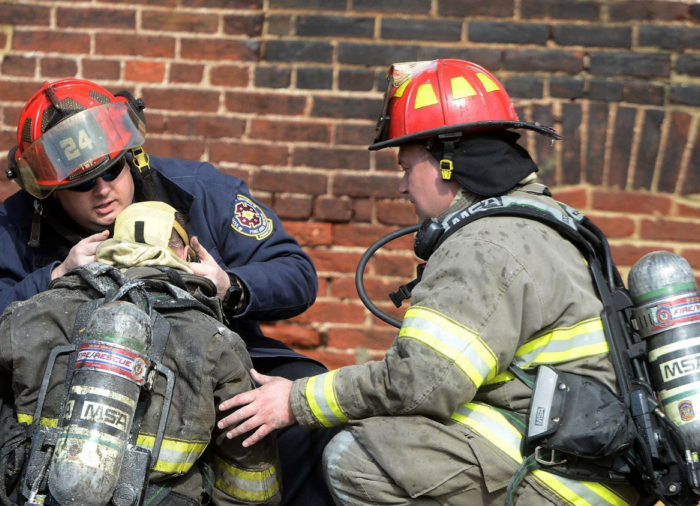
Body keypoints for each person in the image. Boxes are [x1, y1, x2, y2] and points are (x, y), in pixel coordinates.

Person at [216, 59, 642, 505]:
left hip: (562, 482)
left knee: (359, 457)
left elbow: (420, 382)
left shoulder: (485, 244)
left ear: (448, 162)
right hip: (590, 466)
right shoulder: (547, 221)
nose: (402, 187)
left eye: (406, 167)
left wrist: (296, 399)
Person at [0, 78, 334, 505]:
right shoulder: (14, 228)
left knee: (307, 404)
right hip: (72, 382)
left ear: (130, 155)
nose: (102, 190)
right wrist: (54, 276)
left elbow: (295, 272)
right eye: (81, 183)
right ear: (50, 188)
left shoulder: (203, 192)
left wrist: (228, 285)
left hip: (208, 363)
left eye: (111, 170)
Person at [0, 201, 281, 505]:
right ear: (186, 256)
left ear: (110, 246)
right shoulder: (216, 343)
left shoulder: (31, 314)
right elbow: (248, 480)